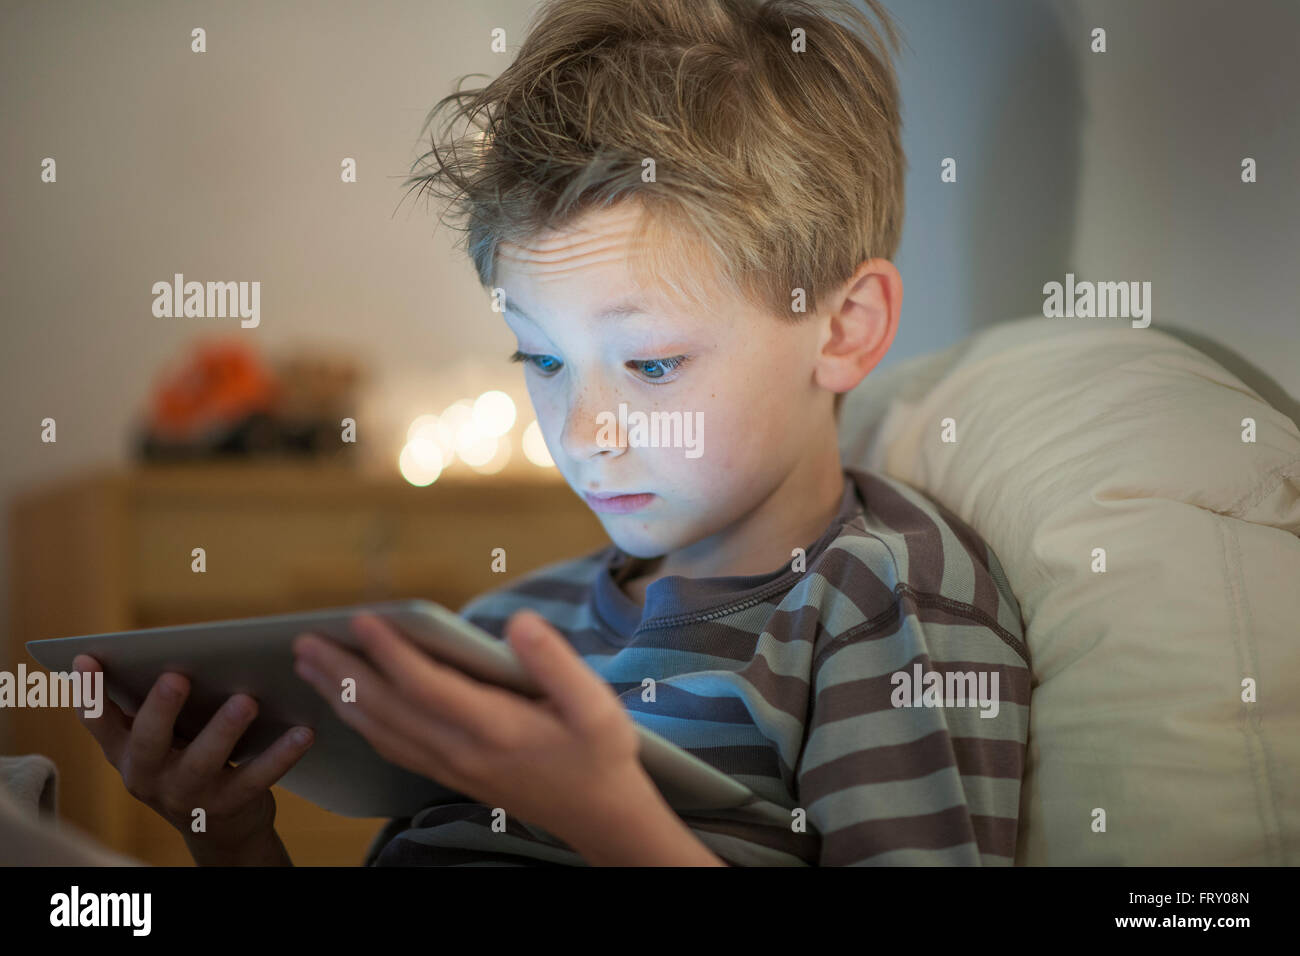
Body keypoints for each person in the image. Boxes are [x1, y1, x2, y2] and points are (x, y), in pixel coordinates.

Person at [75, 0, 1030, 866]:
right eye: (541, 361)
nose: (583, 432)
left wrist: (605, 817)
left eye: (652, 365)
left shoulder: (873, 604)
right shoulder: (505, 634)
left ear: (845, 326)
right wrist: (233, 835)